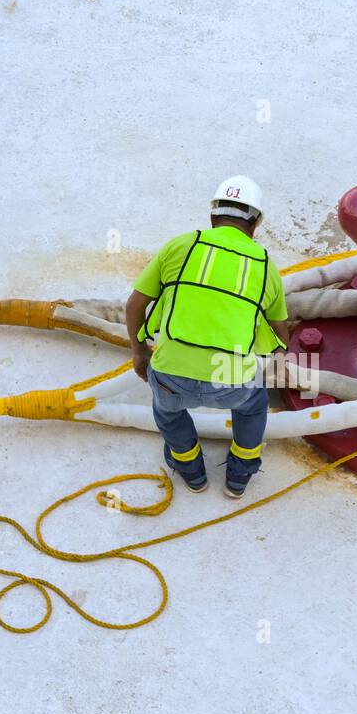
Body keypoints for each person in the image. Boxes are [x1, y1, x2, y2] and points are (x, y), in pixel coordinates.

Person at [125, 175, 290, 498]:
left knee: (167, 410)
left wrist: (139, 352)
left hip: (172, 373)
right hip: (229, 379)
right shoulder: (266, 266)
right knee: (254, 404)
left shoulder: (180, 246)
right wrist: (280, 358)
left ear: (213, 217)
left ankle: (191, 472)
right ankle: (239, 477)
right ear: (255, 224)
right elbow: (279, 330)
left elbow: (134, 305)